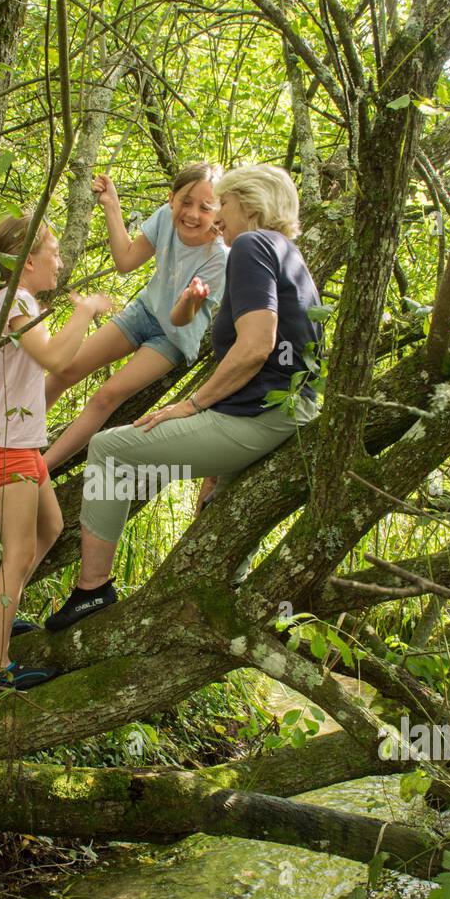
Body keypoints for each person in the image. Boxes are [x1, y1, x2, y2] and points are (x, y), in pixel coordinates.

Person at [44, 164, 322, 632]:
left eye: (224, 206)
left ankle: (92, 591)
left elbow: (255, 347)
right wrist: (220, 464)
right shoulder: (286, 253)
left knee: (110, 450)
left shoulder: (252, 246)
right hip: (280, 413)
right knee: (216, 520)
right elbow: (276, 360)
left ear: (250, 206)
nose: (218, 220)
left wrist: (192, 404)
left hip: (262, 418)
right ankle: (221, 615)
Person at [0, 213, 110, 688]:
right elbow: (53, 358)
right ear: (28, 261)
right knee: (17, 554)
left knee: (49, 528)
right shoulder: (14, 299)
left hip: (19, 443)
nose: (61, 261)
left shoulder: (14, 298)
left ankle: (1, 632)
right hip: (7, 447)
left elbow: (48, 360)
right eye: (55, 253)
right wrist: (86, 312)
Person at [43, 163, 228, 472]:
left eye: (205, 207)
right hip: (144, 312)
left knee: (107, 396)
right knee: (67, 369)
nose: (192, 214)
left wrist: (189, 300)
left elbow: (181, 320)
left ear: (219, 212)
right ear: (171, 199)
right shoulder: (166, 219)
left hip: (172, 336)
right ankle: (16, 435)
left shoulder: (219, 257)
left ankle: (39, 468)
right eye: (186, 202)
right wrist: (112, 206)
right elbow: (126, 260)